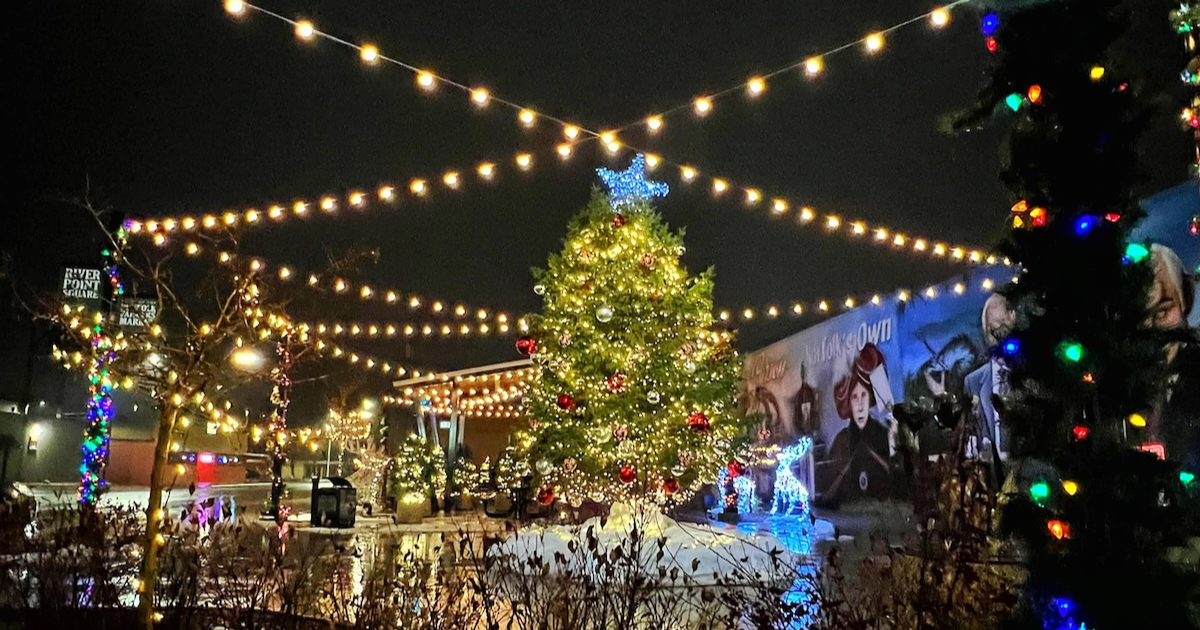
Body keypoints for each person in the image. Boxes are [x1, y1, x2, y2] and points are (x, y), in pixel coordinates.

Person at [825, 344, 893, 501]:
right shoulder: (841, 441)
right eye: (855, 397)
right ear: (848, 402)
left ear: (870, 399)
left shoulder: (883, 435)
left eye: (864, 395)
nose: (860, 404)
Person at [963, 293, 1017, 464]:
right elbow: (970, 435)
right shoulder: (972, 382)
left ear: (1013, 320)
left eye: (1003, 323)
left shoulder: (1029, 375)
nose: (998, 332)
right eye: (992, 328)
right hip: (991, 475)